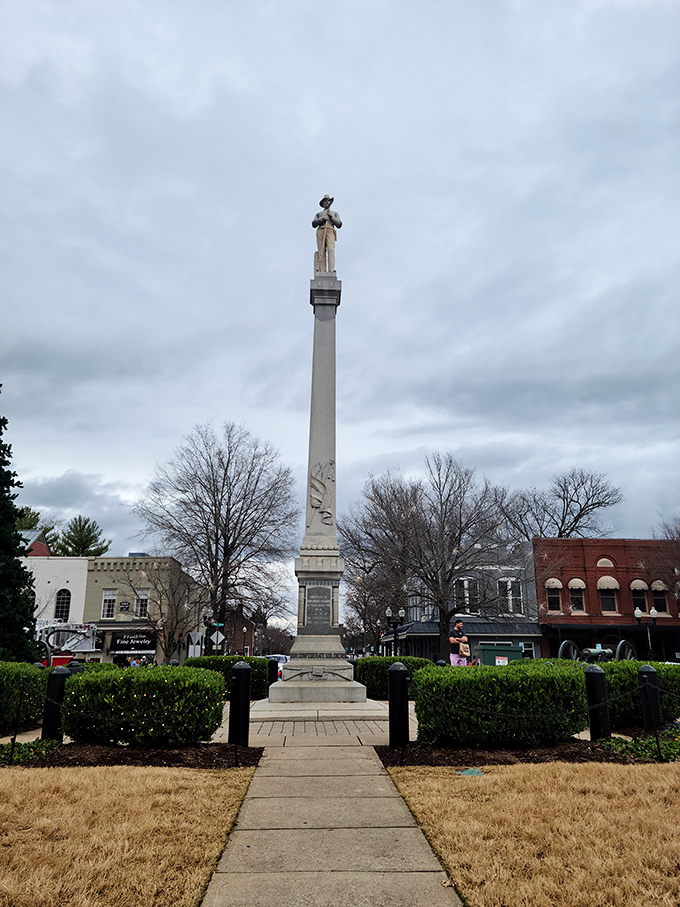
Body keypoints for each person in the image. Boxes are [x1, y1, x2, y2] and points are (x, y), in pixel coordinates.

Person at [312, 195, 342, 273]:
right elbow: (313, 223)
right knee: (321, 250)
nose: (327, 202)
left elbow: (339, 224)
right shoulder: (319, 214)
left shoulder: (334, 213)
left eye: (328, 201)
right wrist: (322, 219)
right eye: (325, 201)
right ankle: (322, 269)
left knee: (331, 249)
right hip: (321, 230)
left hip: (330, 230)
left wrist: (332, 217)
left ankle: (331, 269)